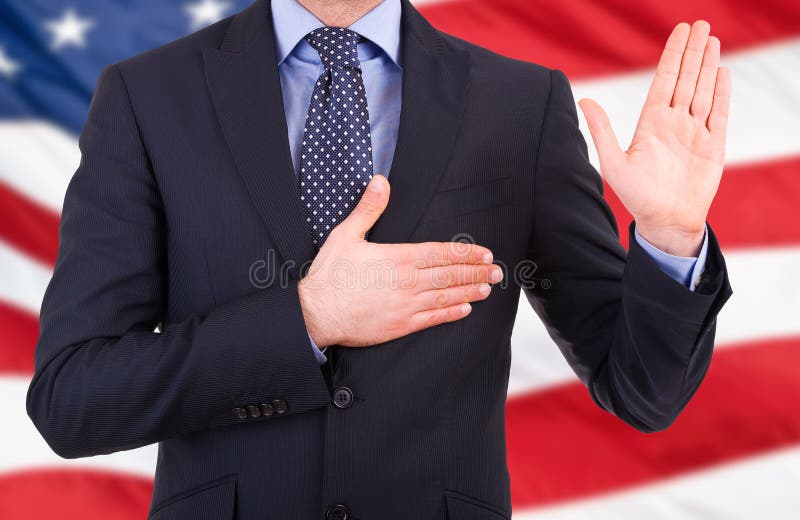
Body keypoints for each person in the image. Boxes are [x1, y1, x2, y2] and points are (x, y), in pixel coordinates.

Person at [26, 0, 733, 518]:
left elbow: (641, 390)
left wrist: (671, 236)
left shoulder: (519, 104)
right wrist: (305, 319)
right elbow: (73, 400)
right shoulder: (147, 97)